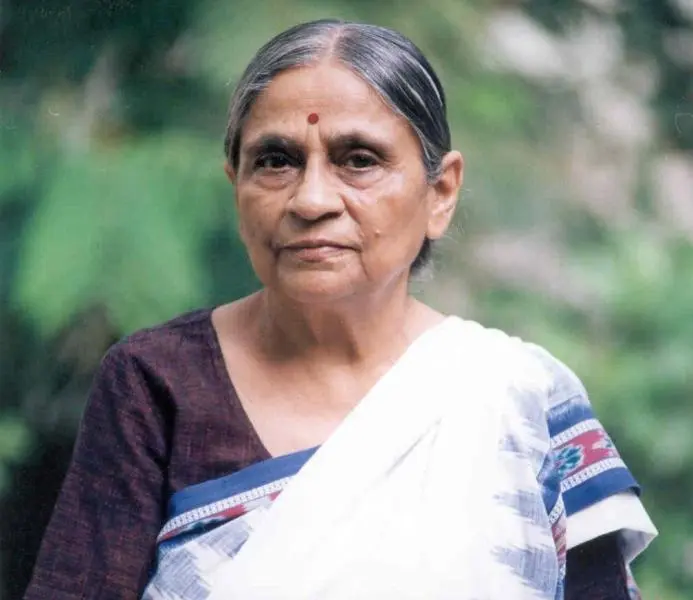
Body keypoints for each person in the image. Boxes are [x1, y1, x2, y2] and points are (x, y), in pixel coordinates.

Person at [24, 19, 656, 600]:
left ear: (440, 192)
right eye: (276, 161)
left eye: (359, 161)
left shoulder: (520, 397)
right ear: (236, 186)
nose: (311, 200)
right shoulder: (156, 382)